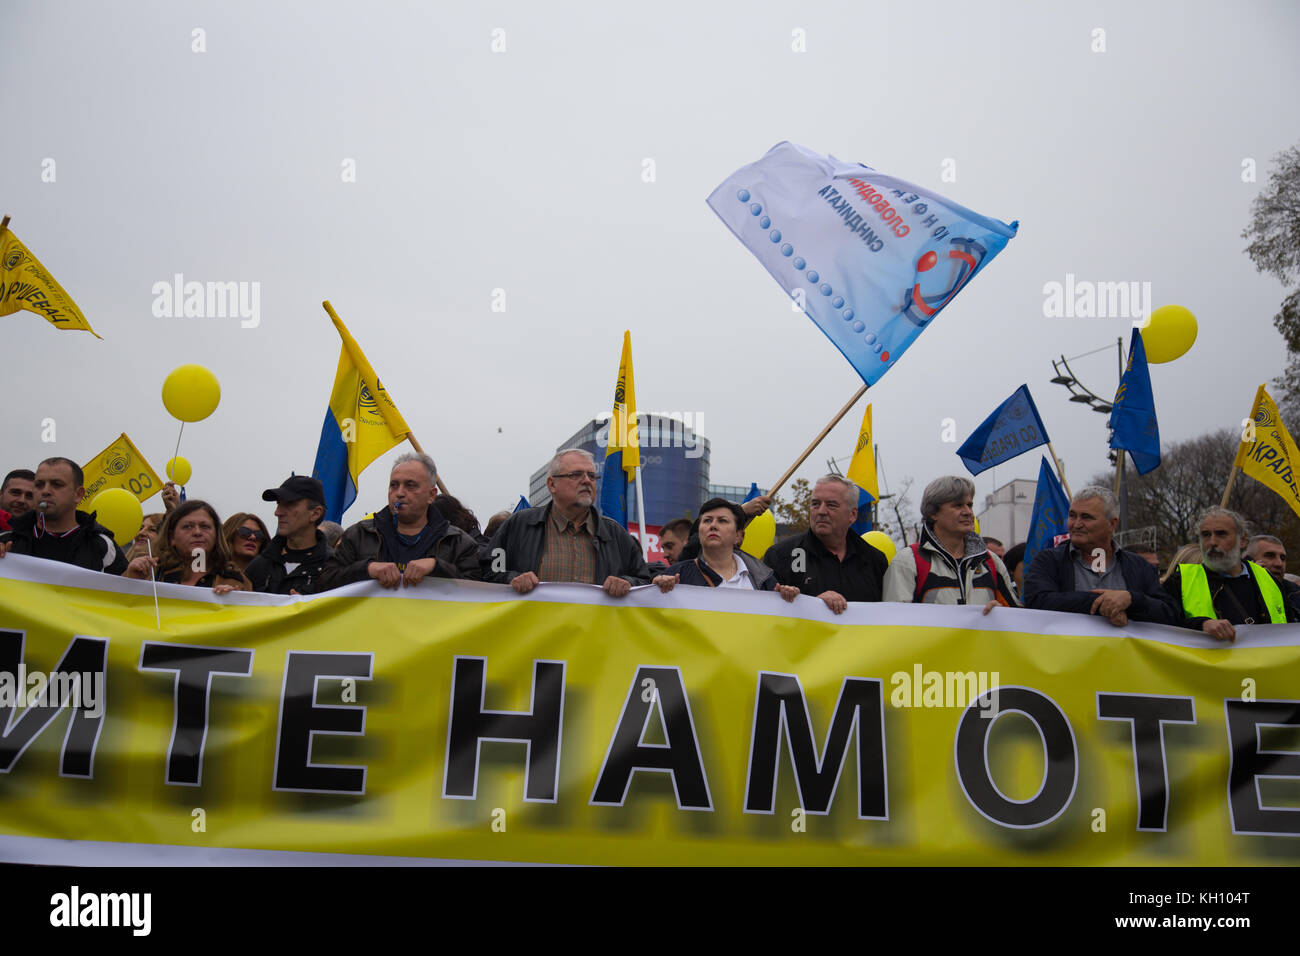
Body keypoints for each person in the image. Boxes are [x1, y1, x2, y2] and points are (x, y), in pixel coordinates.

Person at [483, 448, 650, 596]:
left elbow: (644, 580)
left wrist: (627, 583)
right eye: (576, 475)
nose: (586, 481)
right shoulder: (520, 525)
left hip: (594, 630)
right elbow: (486, 571)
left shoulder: (616, 534)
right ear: (552, 484)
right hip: (535, 629)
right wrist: (511, 579)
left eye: (591, 476)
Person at [319, 453, 482, 591]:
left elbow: (478, 590)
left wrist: (437, 567)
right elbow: (325, 581)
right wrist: (367, 568)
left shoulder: (459, 542)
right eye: (394, 485)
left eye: (410, 486)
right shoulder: (358, 535)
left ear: (432, 495)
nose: (399, 493)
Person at [1022, 486, 1179, 627]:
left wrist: (1131, 600)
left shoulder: (1139, 566)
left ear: (1112, 524)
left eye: (1086, 517)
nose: (1076, 524)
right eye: (1072, 516)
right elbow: (1037, 602)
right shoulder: (1048, 561)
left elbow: (1170, 613)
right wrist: (1106, 605)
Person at [883, 476, 1017, 612]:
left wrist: (1001, 613)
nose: (968, 512)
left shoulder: (991, 561)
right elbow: (895, 622)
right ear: (933, 513)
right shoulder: (908, 562)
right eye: (958, 505)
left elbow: (1017, 619)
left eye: (969, 505)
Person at [1163, 508, 1298, 640]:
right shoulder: (1181, 580)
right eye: (1205, 535)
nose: (1212, 542)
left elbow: (1290, 633)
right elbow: (1159, 630)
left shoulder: (1268, 579)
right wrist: (1200, 624)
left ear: (1243, 540)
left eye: (1221, 534)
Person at [763, 474, 888, 614]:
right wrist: (815, 606)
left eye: (831, 505)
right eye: (815, 504)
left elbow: (888, 616)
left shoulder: (875, 561)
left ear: (852, 515)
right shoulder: (781, 556)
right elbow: (769, 616)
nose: (821, 511)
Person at [650, 497, 799, 600]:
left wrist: (786, 597)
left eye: (722, 521)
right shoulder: (677, 576)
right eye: (707, 520)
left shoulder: (764, 579)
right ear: (699, 532)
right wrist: (655, 591)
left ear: (739, 536)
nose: (713, 525)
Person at [0, 458, 128, 574]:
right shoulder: (7, 540)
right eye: (39, 484)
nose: (45, 491)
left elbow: (124, 594)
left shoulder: (102, 545)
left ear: (78, 494)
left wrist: (133, 576)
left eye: (56, 484)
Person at [123, 499, 250, 593]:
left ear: (217, 535)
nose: (197, 532)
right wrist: (132, 581)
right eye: (187, 526)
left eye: (204, 526)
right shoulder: (150, 572)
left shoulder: (236, 581)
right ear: (172, 537)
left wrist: (233, 603)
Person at [245, 476, 333, 595]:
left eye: (289, 504)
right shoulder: (259, 566)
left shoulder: (333, 566)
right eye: (278, 504)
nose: (278, 512)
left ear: (315, 513)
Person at [222, 512, 270, 577]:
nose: (253, 537)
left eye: (258, 534)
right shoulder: (210, 574)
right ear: (230, 535)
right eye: (244, 532)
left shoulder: (271, 578)